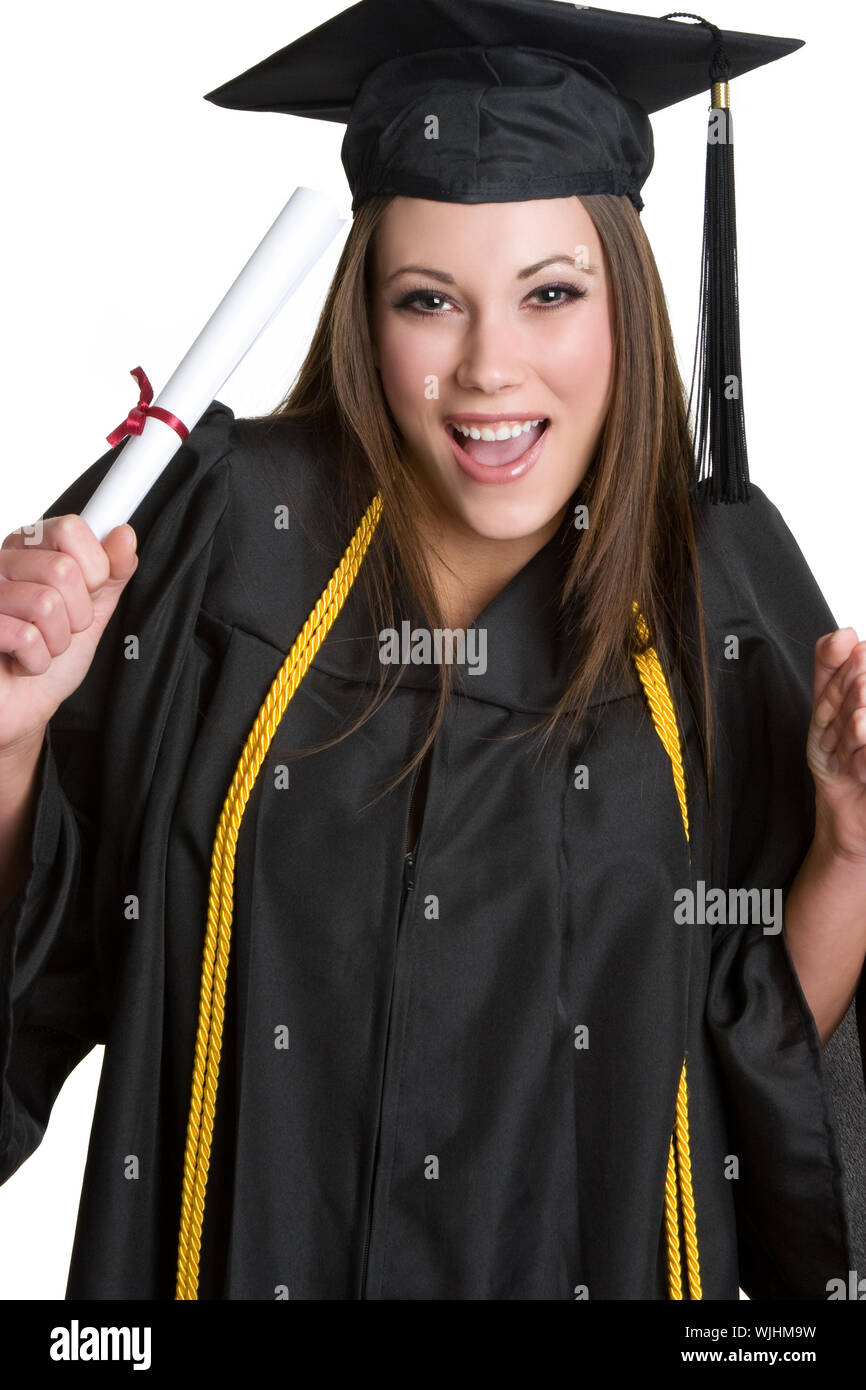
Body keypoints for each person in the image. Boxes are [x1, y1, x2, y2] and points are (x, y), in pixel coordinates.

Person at [1, 0, 865, 1301]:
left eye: (549, 293)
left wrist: (848, 851)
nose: (487, 367)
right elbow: (51, 958)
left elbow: (746, 1058)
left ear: (623, 303)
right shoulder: (218, 534)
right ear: (366, 311)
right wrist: (12, 734)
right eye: (428, 299)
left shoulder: (713, 585)